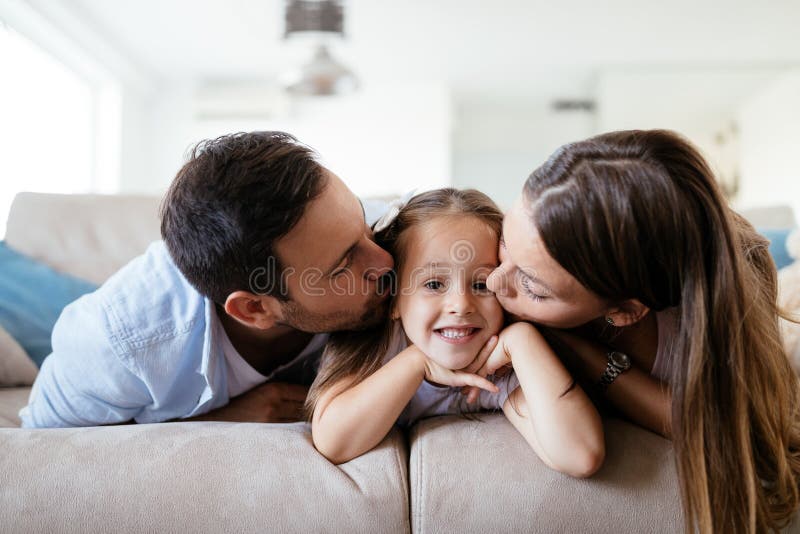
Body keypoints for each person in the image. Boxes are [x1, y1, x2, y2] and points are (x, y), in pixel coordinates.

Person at [484, 129, 800, 532]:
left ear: (624, 312)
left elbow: (708, 423)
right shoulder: (523, 264)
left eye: (531, 286)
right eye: (506, 243)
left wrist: (573, 346)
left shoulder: (734, 289)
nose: (494, 282)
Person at [20, 131, 394, 427]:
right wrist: (217, 419)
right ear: (253, 308)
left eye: (364, 225)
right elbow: (38, 449)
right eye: (344, 265)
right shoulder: (118, 344)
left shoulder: (384, 230)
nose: (386, 259)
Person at [307, 188, 604, 476]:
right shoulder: (378, 344)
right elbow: (334, 442)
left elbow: (580, 455)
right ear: (394, 299)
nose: (461, 305)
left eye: (481, 285)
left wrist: (523, 340)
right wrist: (417, 363)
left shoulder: (497, 365)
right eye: (434, 284)